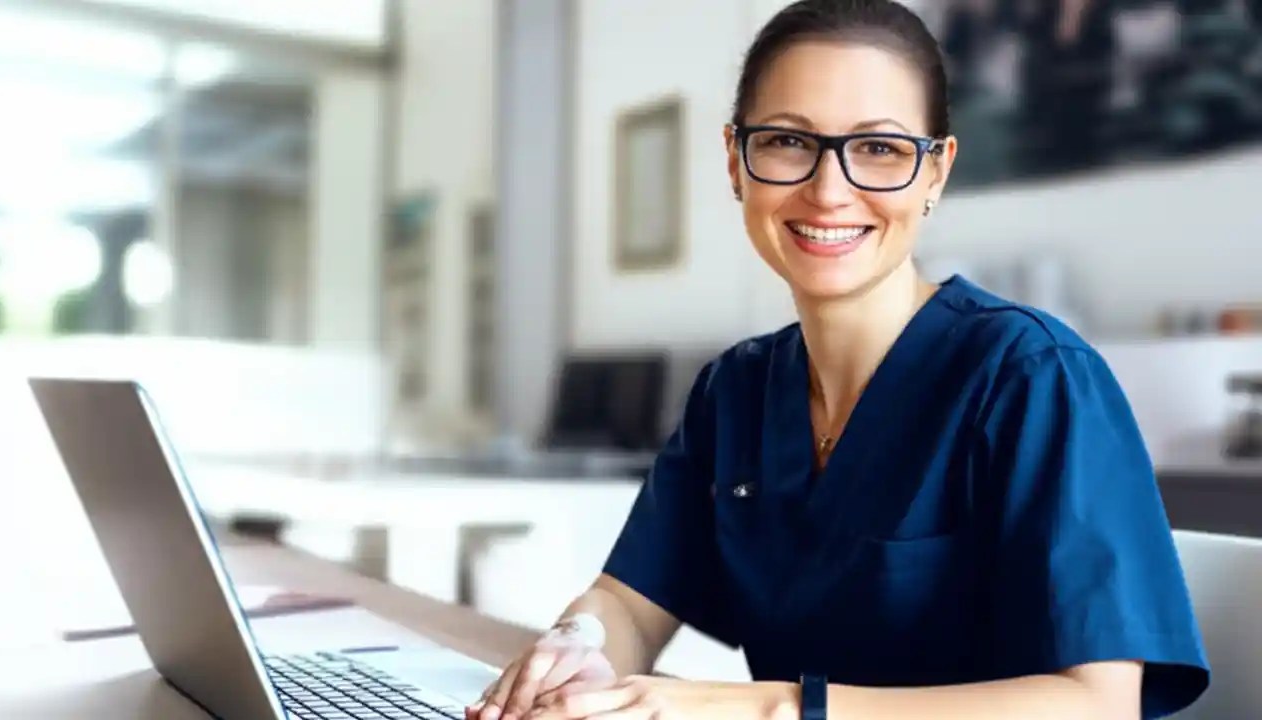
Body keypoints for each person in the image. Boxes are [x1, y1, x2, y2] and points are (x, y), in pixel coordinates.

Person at [466, 1, 1210, 718]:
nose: (829, 190)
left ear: (936, 174)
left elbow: (1098, 704)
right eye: (788, 141)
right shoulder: (736, 392)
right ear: (736, 161)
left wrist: (767, 708)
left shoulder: (1031, 376)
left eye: (880, 149)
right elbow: (628, 602)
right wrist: (580, 646)